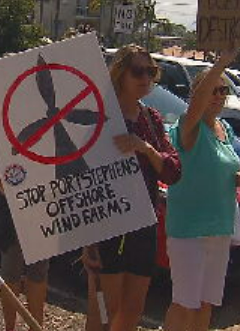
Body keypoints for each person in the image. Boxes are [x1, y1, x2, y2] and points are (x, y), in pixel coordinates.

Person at [82, 44, 182, 331]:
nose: (146, 78)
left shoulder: (152, 119)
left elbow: (174, 171)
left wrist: (146, 149)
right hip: (109, 226)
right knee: (102, 311)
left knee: (132, 312)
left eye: (151, 72)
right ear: (120, 74)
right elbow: (84, 180)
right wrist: (89, 241)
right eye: (138, 71)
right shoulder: (99, 117)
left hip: (144, 224)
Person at [163, 44, 240, 331]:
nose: (217, 96)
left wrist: (238, 175)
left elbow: (224, 165)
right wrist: (219, 66)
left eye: (222, 91)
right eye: (212, 90)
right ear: (197, 95)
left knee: (206, 304)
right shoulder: (187, 128)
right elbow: (196, 108)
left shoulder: (225, 129)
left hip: (219, 229)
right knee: (184, 304)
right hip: (189, 230)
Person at [0, 134, 50, 331]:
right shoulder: (0, 118)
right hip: (12, 211)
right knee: (11, 272)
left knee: (38, 272)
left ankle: (36, 326)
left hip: (45, 205)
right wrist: (7, 191)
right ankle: (10, 328)